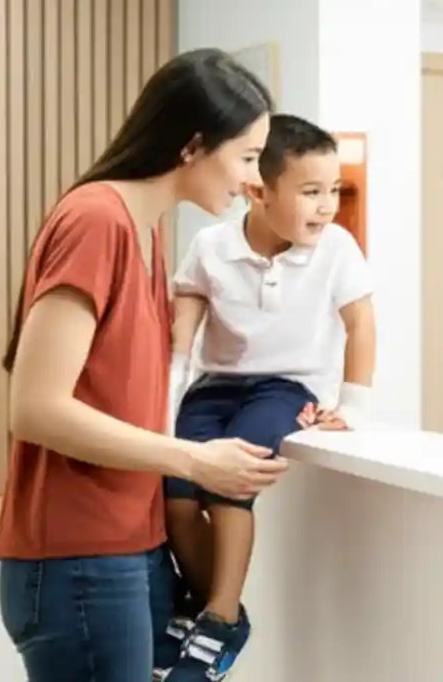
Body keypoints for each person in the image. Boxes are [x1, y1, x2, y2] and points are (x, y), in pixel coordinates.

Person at [0, 48, 290, 682]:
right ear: (192, 146)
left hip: (123, 546)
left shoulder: (148, 232)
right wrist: (192, 459)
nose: (251, 181)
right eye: (245, 157)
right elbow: (36, 407)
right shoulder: (98, 220)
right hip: (80, 560)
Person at [160, 113, 376, 681]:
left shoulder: (336, 248)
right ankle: (212, 611)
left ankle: (219, 615)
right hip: (213, 388)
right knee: (176, 497)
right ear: (258, 190)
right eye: (311, 192)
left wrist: (352, 407)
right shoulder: (211, 245)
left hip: (287, 388)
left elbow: (362, 324)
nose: (327, 206)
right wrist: (169, 394)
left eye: (333, 190)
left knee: (233, 482)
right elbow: (186, 319)